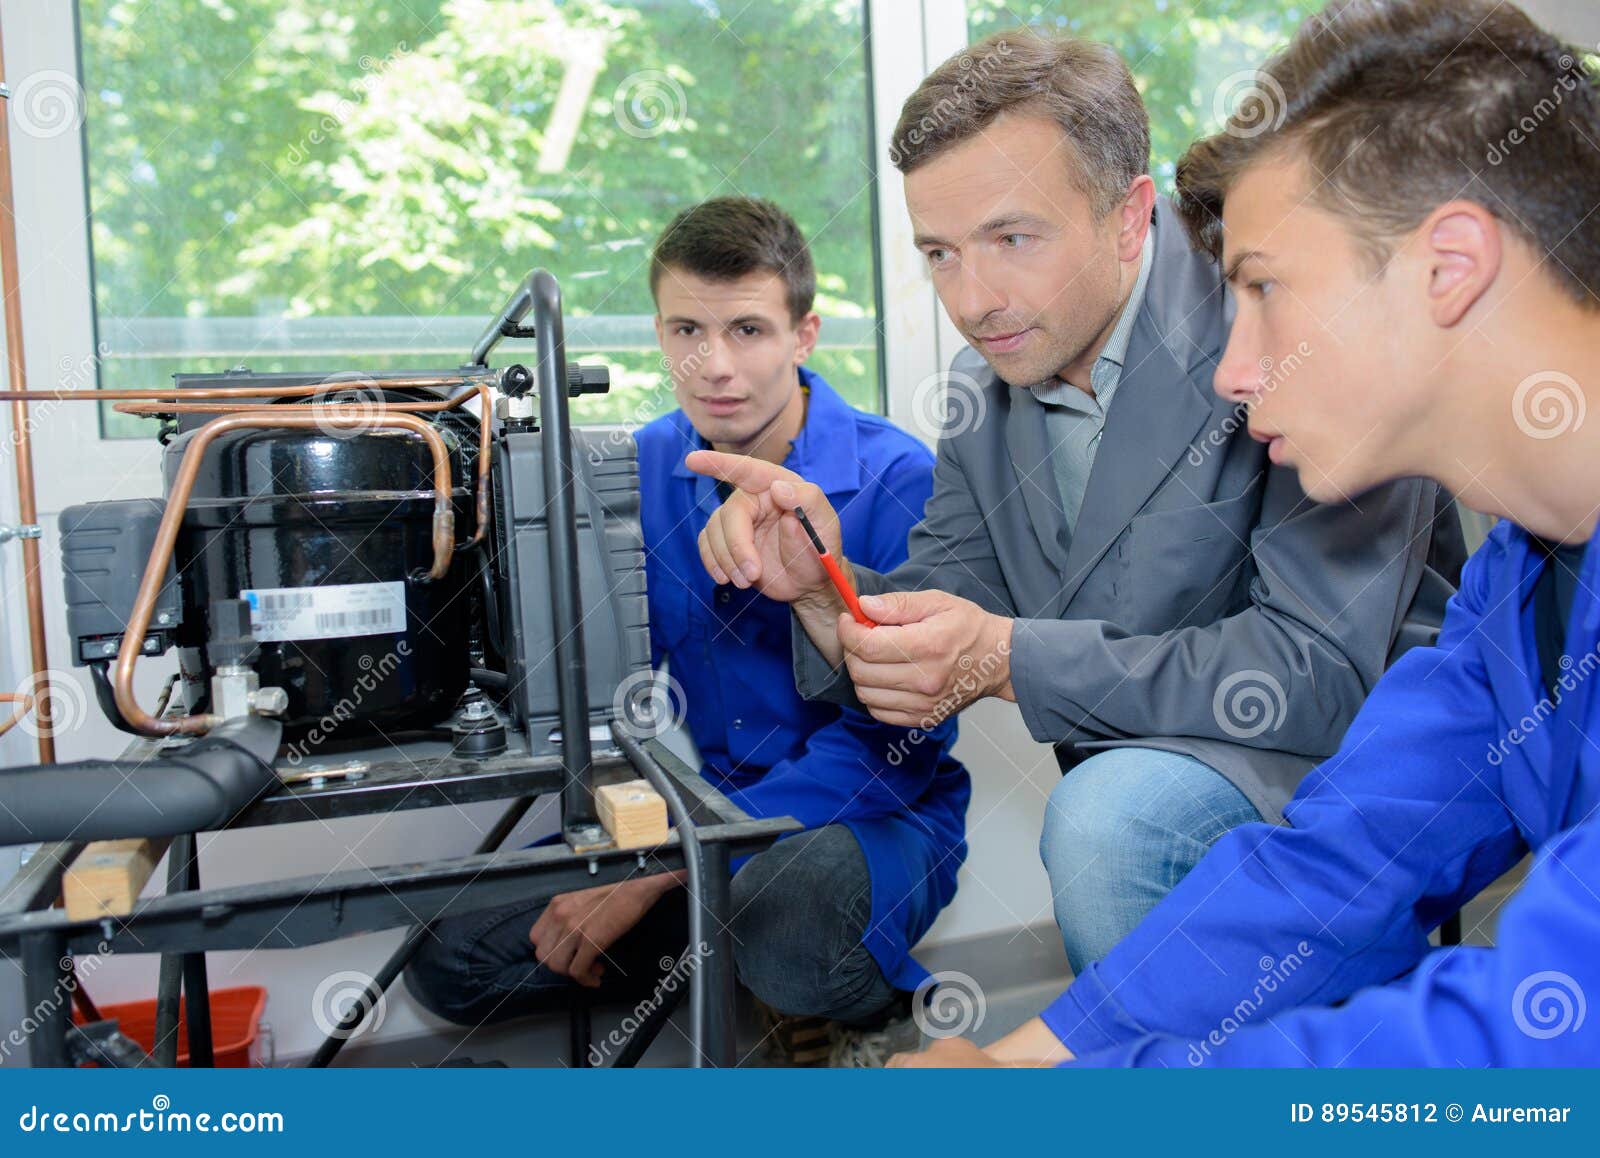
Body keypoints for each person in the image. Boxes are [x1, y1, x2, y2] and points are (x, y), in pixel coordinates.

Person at [893, 0, 1600, 1067]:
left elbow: (1530, 1045)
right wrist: (1025, 1060)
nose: (1232, 369)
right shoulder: (1514, 583)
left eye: (1265, 287)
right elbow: (1338, 864)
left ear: (1450, 266)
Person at [688, 31, 1463, 974]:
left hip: (1351, 750)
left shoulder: (1276, 327)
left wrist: (1009, 657)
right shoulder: (985, 389)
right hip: (1151, 759)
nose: (972, 300)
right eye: (940, 253)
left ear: (1130, 218)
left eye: (1012, 239)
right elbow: (946, 610)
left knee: (1110, 820)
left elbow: (1318, 672)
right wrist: (822, 585)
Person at [407, 197, 969, 1066]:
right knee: (450, 956)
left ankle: (859, 1004)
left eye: (747, 329)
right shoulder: (640, 467)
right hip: (703, 810)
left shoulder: (897, 477)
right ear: (659, 336)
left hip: (868, 816)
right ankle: (747, 966)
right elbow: (607, 684)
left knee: (790, 914)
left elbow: (900, 746)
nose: (715, 366)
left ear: (804, 335)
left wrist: (666, 864)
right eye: (687, 331)